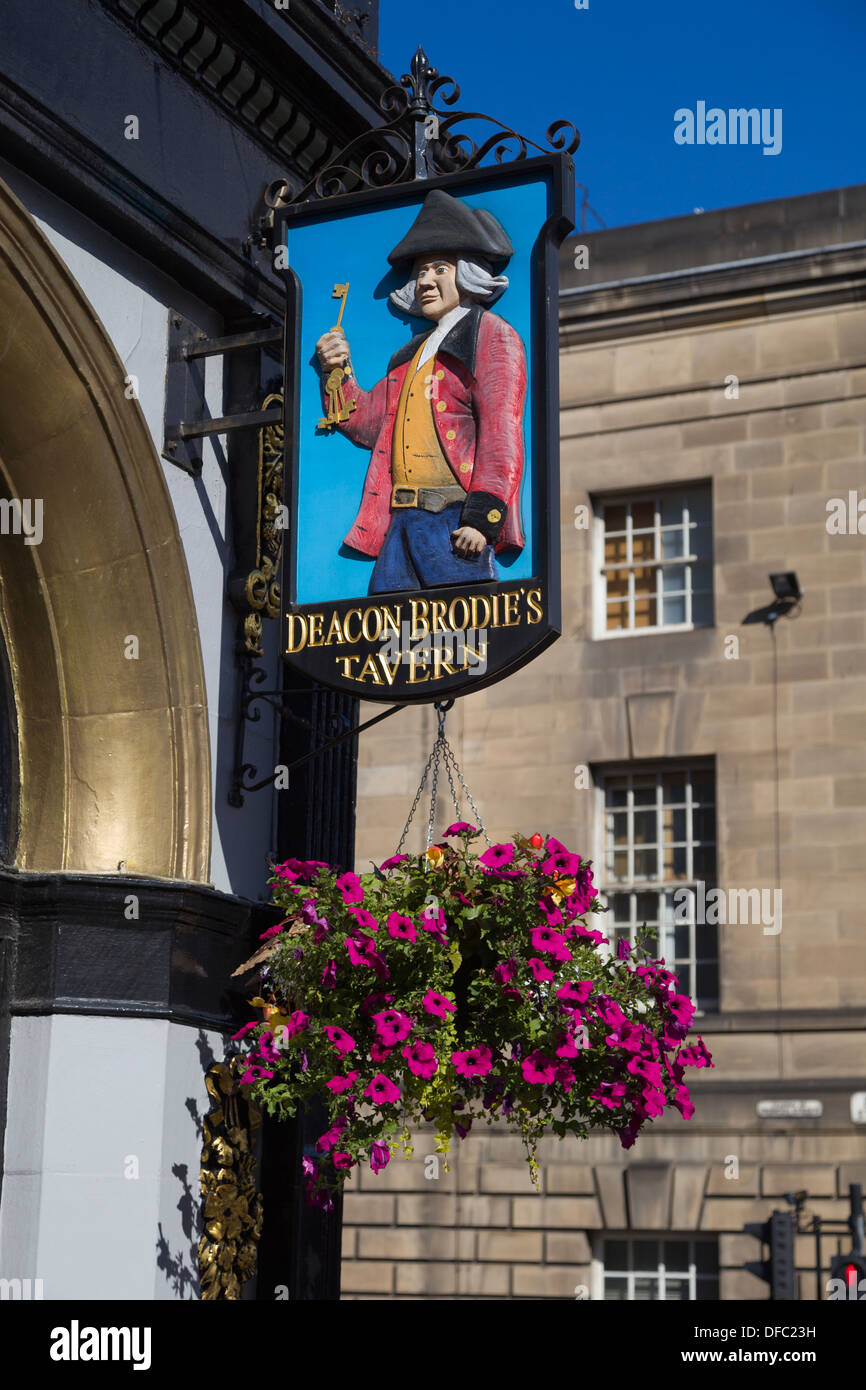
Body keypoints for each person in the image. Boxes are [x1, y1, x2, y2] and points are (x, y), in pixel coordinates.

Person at [315, 189, 527, 594]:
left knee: (460, 639)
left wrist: (481, 520)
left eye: (439, 269)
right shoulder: (410, 356)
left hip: (454, 523)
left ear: (467, 274)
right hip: (400, 523)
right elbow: (365, 421)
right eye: (422, 272)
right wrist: (336, 369)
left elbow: (502, 433)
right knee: (388, 642)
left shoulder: (493, 337)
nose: (426, 281)